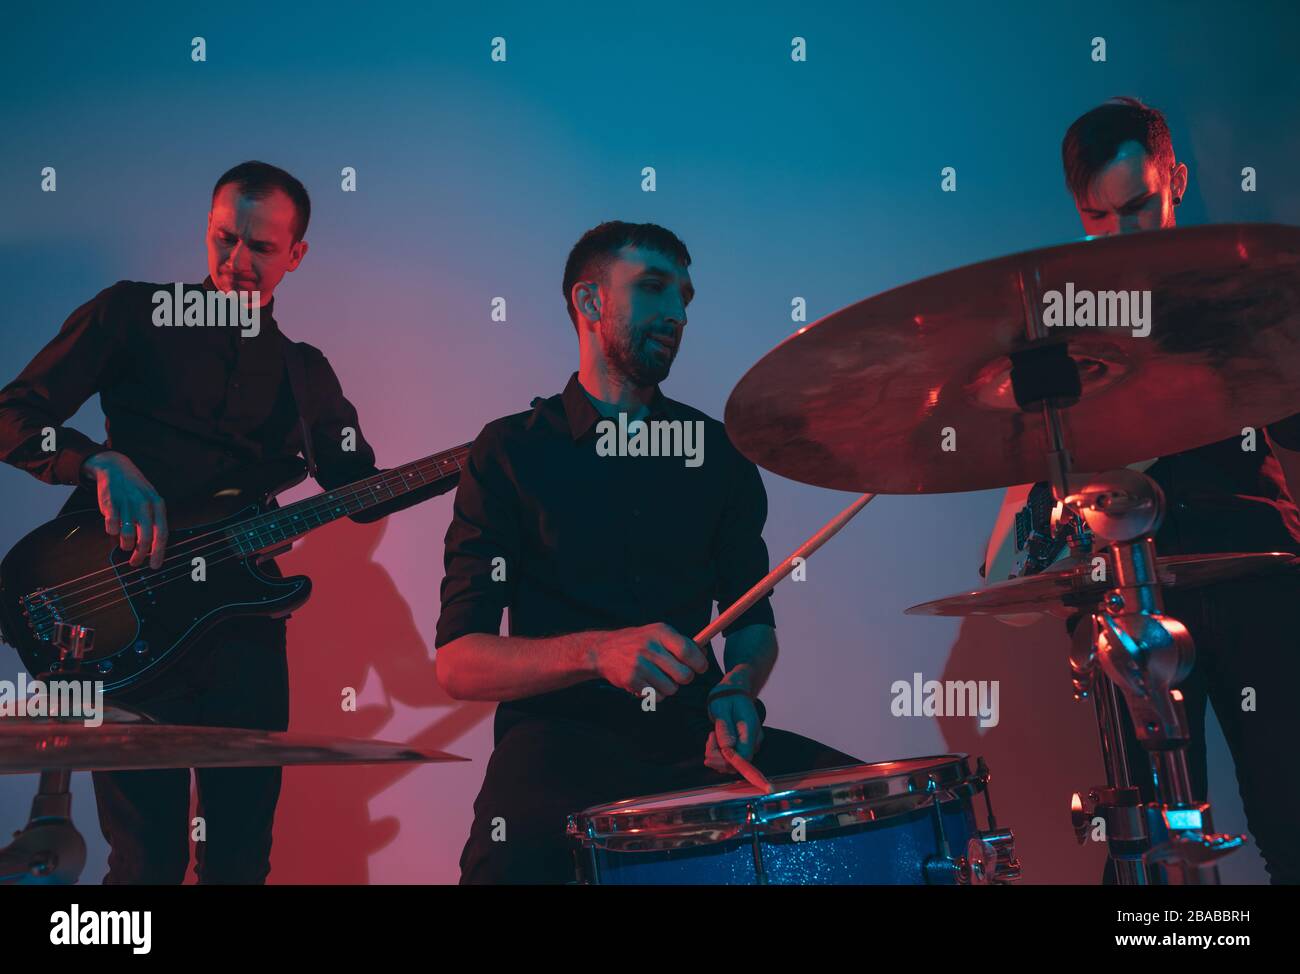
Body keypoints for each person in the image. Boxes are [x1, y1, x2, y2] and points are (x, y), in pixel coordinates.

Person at [0, 161, 450, 883]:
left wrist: (469, 464)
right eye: (223, 239)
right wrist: (99, 462)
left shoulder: (305, 373)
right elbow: (13, 414)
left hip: (242, 636)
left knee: (240, 866)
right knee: (146, 864)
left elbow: (357, 493)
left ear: (296, 255)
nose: (236, 263)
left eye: (261, 249)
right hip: (122, 612)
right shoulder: (130, 314)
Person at [435, 221, 859, 884]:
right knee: (509, 863)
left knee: (868, 812)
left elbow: (753, 623)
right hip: (556, 745)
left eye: (685, 296)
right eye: (655, 288)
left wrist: (739, 688)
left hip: (695, 741)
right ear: (590, 301)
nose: (678, 313)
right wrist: (597, 652)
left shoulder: (717, 453)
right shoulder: (510, 452)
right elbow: (459, 664)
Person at [980, 98, 1300, 883]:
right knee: (1156, 845)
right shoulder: (1063, 332)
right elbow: (1010, 546)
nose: (1119, 236)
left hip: (1256, 573)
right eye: (1097, 217)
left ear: (1177, 180)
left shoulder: (1239, 294)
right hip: (1132, 602)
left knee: (1291, 819)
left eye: (1138, 208)